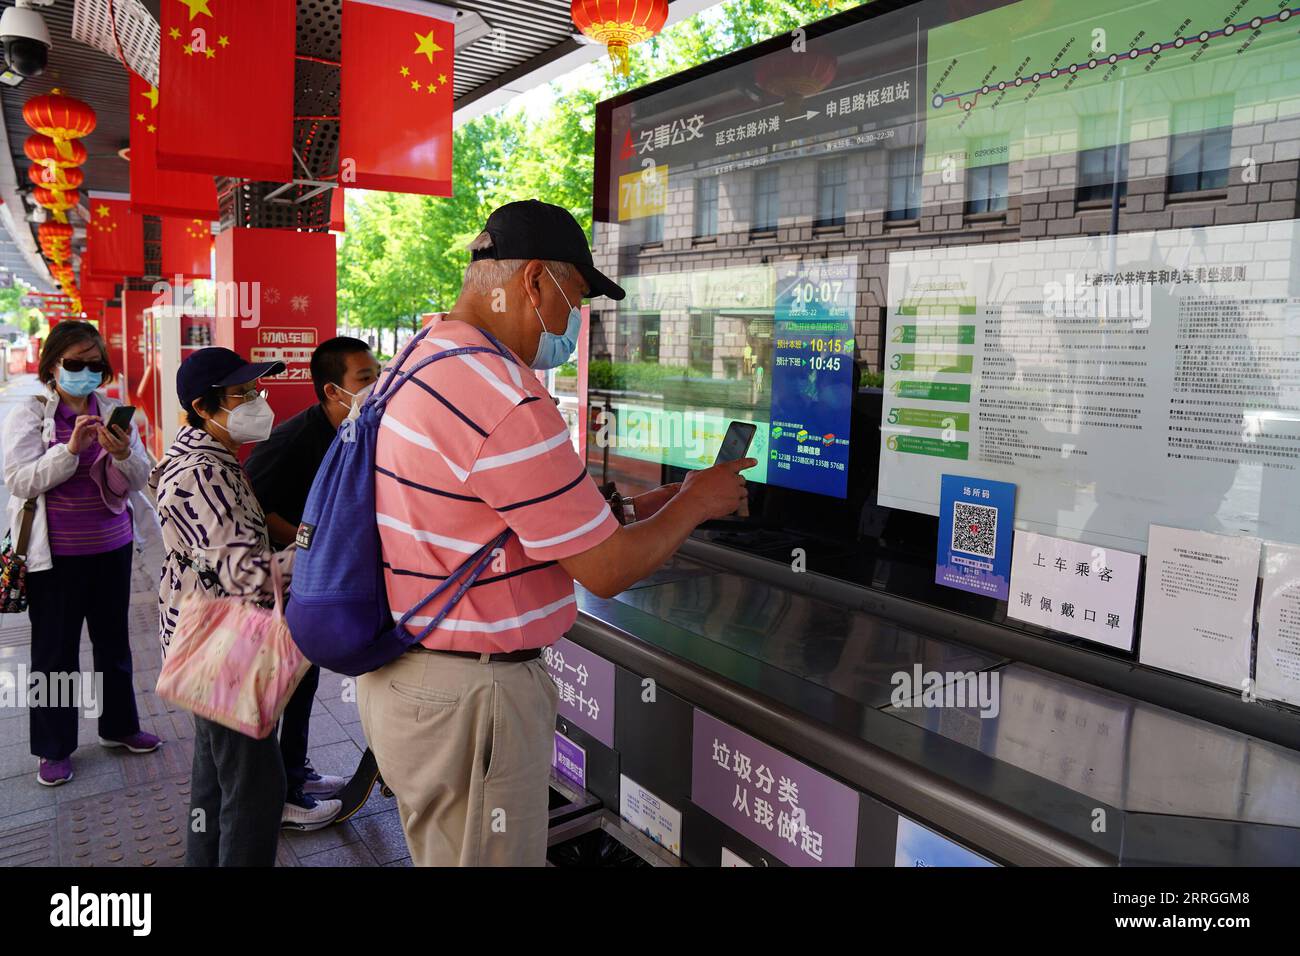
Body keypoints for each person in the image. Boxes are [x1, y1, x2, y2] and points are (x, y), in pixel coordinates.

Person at [361, 200, 753, 865]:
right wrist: (694, 503)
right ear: (533, 281)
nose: (572, 323)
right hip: (472, 701)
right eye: (573, 298)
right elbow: (604, 570)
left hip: (414, 680)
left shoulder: (421, 359)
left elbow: (496, 517)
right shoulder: (501, 393)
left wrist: (642, 505)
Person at [151, 347, 294, 866]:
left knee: (216, 779)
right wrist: (312, 555)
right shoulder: (203, 474)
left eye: (256, 392)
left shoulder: (207, 457)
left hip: (207, 635)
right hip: (223, 643)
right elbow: (243, 571)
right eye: (242, 395)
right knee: (255, 788)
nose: (256, 402)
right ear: (204, 406)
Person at [1, 321, 161, 786]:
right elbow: (19, 480)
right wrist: (68, 451)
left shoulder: (114, 411)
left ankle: (119, 727)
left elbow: (139, 476)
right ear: (52, 366)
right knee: (55, 654)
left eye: (94, 365)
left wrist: (126, 452)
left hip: (112, 549)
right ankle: (53, 748)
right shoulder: (31, 416)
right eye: (74, 363)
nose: (85, 373)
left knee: (114, 644)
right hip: (54, 560)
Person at [245, 336, 380, 829]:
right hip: (286, 580)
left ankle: (295, 772)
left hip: (321, 578)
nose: (377, 386)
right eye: (365, 379)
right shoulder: (295, 438)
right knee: (284, 681)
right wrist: (309, 543)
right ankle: (279, 794)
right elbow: (254, 501)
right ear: (331, 390)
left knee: (305, 676)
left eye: (377, 373)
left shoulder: (356, 428)